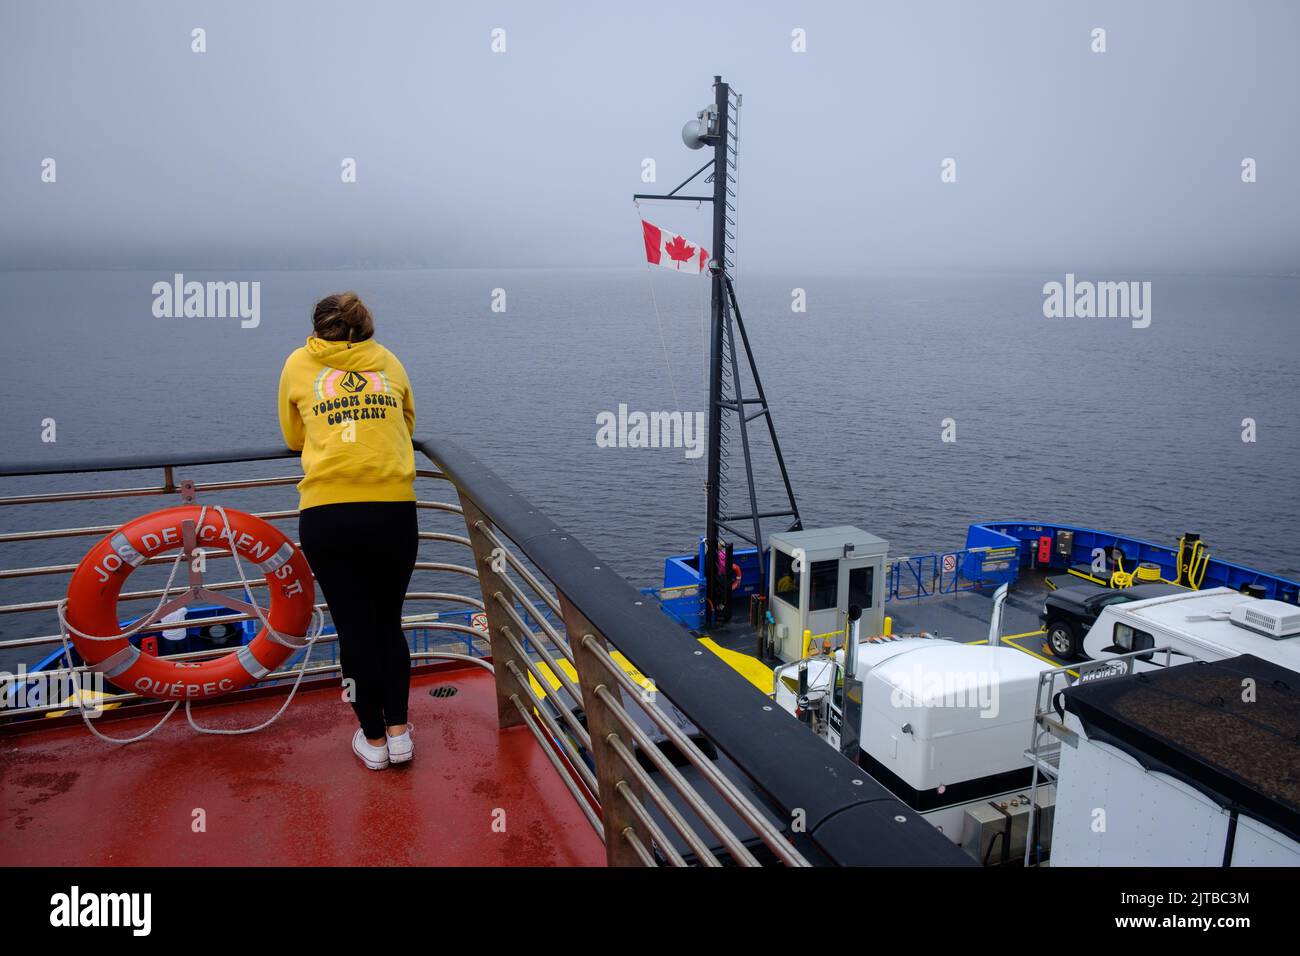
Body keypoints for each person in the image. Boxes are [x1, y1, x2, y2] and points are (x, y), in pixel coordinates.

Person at [278, 291, 419, 771]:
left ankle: (374, 740)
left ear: (318, 327)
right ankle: (400, 733)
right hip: (393, 510)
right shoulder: (389, 360)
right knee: (388, 625)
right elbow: (408, 419)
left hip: (329, 512)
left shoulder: (298, 364)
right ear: (368, 324)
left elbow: (292, 437)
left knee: (354, 629)